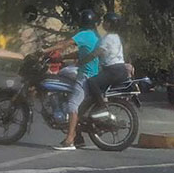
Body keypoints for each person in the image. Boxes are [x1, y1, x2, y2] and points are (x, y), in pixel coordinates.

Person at [54, 8, 101, 150]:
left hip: (85, 75)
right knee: (65, 76)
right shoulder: (93, 35)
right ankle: (78, 137)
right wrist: (62, 57)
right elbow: (80, 54)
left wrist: (44, 51)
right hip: (90, 74)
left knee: (72, 105)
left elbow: (64, 44)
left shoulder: (83, 34)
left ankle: (70, 140)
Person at [84, 12, 131, 110]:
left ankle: (101, 106)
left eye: (105, 21)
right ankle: (96, 109)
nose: (103, 23)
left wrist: (83, 60)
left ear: (110, 24)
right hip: (120, 70)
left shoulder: (107, 38)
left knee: (92, 82)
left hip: (113, 71)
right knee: (98, 90)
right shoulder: (116, 37)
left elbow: (96, 53)